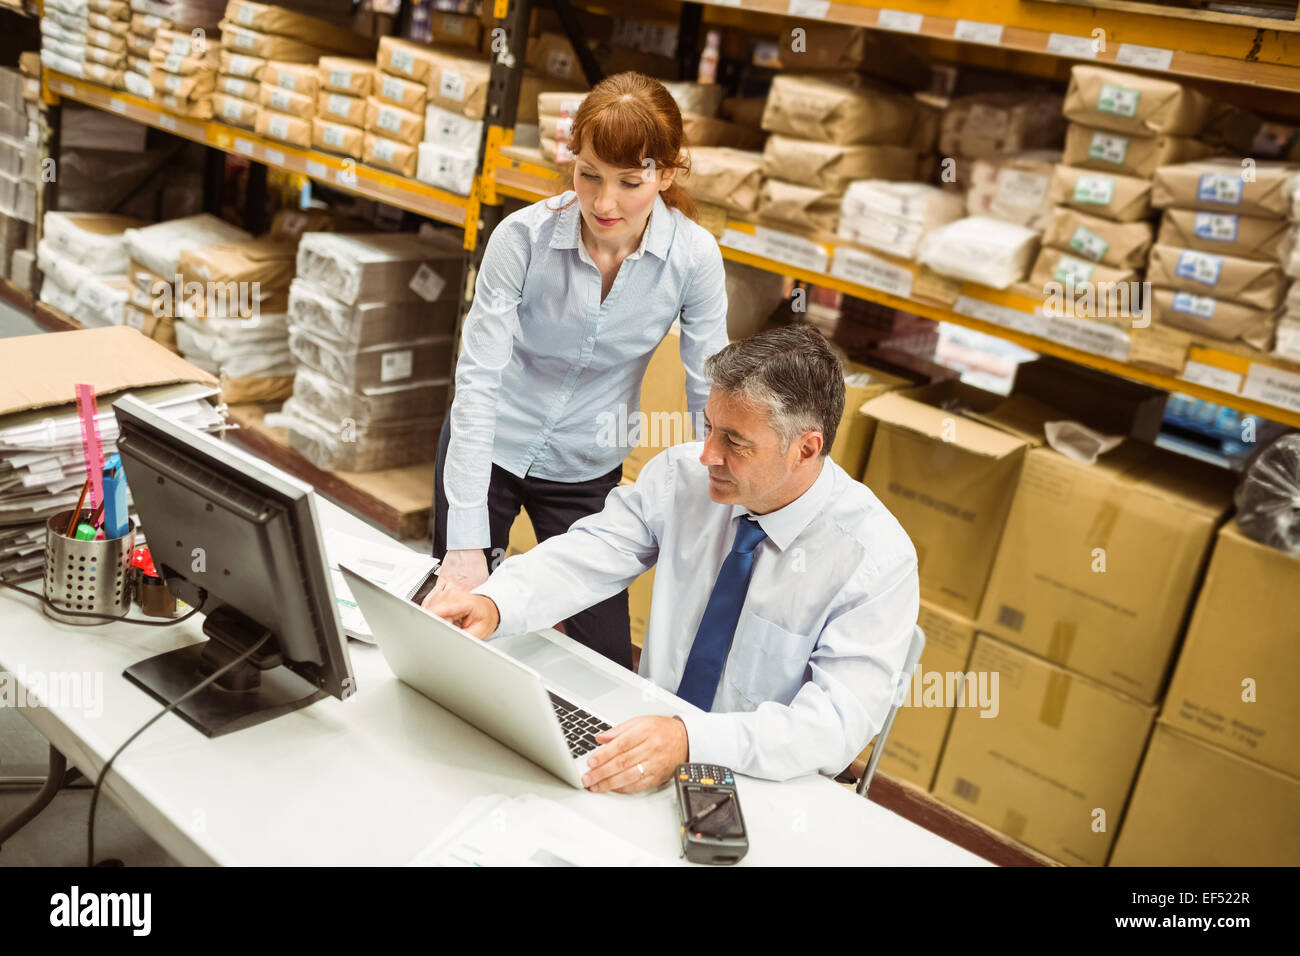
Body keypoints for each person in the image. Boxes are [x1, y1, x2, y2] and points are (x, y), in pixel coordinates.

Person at [426, 325, 920, 793]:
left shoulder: (875, 561)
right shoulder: (682, 478)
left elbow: (833, 725)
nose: (708, 455)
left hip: (762, 779)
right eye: (710, 427)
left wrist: (690, 739)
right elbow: (592, 551)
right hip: (646, 736)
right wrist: (496, 602)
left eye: (735, 442)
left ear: (805, 449)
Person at [430, 71, 729, 670]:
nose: (603, 202)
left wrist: (717, 509)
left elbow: (708, 394)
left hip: (586, 471)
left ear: (667, 175)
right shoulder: (522, 239)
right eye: (589, 174)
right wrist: (464, 542)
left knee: (602, 656)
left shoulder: (694, 259)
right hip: (488, 450)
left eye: (630, 182)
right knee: (456, 629)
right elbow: (479, 382)